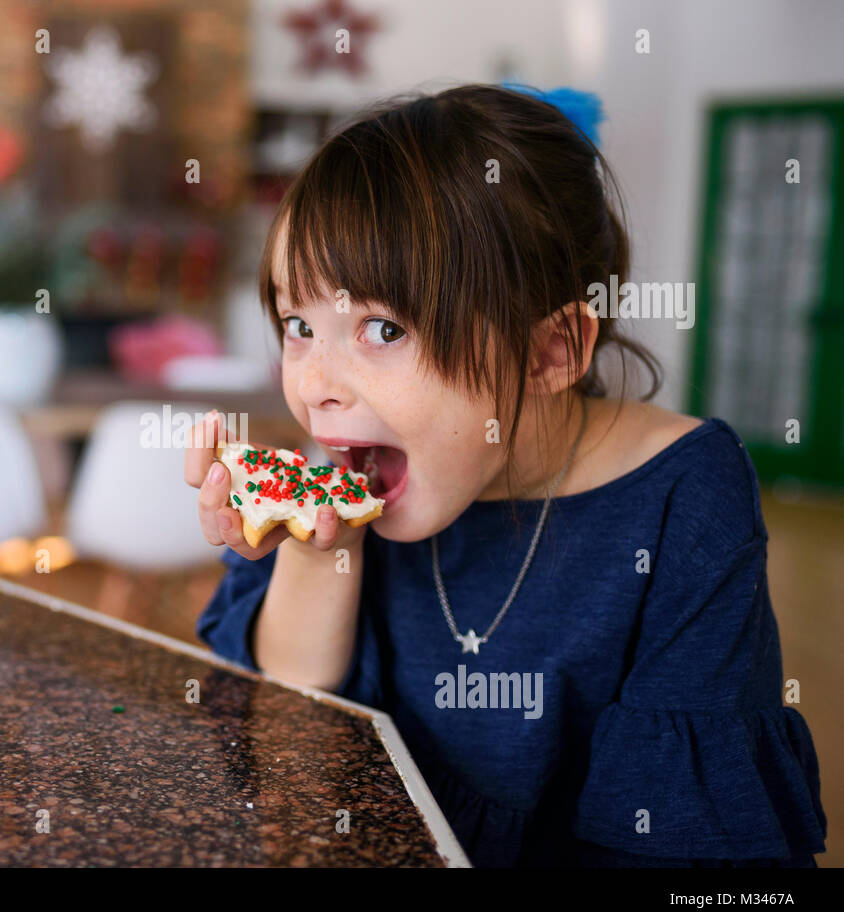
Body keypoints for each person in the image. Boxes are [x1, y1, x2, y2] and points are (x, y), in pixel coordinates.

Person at [188, 84, 827, 867]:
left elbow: (681, 850)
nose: (316, 382)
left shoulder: (685, 496)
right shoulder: (358, 465)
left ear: (550, 351)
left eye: (383, 328)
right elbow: (292, 727)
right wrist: (317, 549)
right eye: (298, 325)